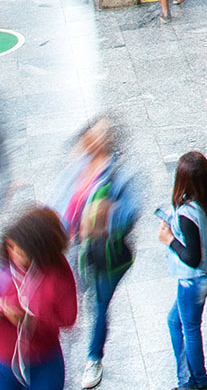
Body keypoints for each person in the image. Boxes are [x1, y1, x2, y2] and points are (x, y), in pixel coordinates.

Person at [54, 117, 139, 390]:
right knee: (66, 298)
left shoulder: (119, 175)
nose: (93, 135)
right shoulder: (77, 167)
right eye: (92, 130)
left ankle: (94, 358)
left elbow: (130, 212)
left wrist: (107, 217)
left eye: (101, 133)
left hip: (105, 255)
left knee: (99, 305)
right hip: (74, 249)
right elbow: (59, 203)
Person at [0, 206, 78, 390]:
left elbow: (68, 318)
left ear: (38, 249)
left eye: (20, 251)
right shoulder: (0, 270)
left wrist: (29, 320)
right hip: (4, 361)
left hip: (44, 360)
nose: (13, 254)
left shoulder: (56, 273)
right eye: (10, 247)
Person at [160, 151, 207, 390]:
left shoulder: (187, 214)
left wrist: (169, 239)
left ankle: (197, 384)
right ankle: (189, 381)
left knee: (190, 328)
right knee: (175, 321)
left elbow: (192, 258)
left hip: (194, 279)